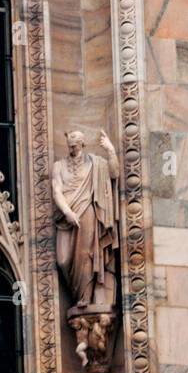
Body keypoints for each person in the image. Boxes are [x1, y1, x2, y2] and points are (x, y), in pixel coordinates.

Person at [52, 127, 119, 310]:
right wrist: (67, 212)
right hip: (66, 216)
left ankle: (86, 298)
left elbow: (114, 174)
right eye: (69, 138)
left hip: (87, 212)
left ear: (82, 142)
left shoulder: (95, 164)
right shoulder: (59, 165)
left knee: (86, 255)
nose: (71, 142)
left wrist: (110, 150)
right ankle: (77, 294)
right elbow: (56, 191)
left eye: (74, 139)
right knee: (63, 260)